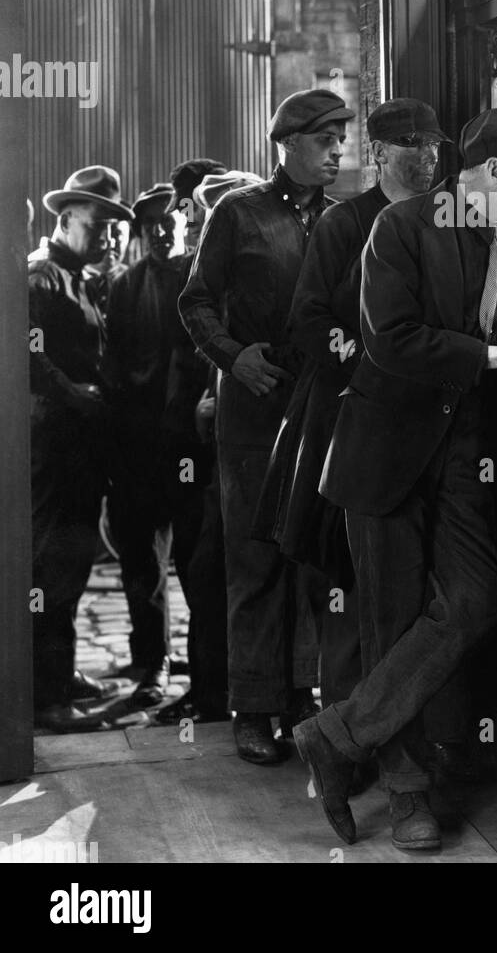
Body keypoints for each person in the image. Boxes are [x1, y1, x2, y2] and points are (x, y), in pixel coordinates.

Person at [293, 107, 497, 852]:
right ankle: (406, 798)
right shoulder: (400, 228)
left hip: (462, 456)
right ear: (493, 171)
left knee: (475, 600)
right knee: (393, 622)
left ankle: (338, 737)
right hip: (387, 456)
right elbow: (391, 340)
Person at [255, 99, 450, 722]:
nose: (430, 157)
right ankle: (341, 729)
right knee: (342, 582)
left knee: (410, 589)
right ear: (383, 154)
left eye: (435, 146)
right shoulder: (345, 225)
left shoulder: (446, 223)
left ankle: (387, 729)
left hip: (425, 430)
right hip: (343, 421)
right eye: (415, 146)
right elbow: (308, 319)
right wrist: (365, 365)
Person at [179, 90, 353, 764]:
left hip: (319, 414)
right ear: (288, 144)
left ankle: (306, 699)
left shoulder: (343, 221)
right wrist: (232, 357)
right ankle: (253, 710)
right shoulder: (237, 212)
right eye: (325, 139)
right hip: (252, 413)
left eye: (342, 137)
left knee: (310, 557)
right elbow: (193, 300)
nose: (338, 149)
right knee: (254, 562)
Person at [154, 170, 263, 727]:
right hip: (204, 446)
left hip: (242, 442)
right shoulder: (196, 274)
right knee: (204, 570)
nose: (193, 222)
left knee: (222, 572)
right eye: (195, 215)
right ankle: (213, 693)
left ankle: (233, 697)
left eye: (201, 213)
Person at [29, 166, 135, 732]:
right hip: (52, 445)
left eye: (115, 230)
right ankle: (45, 699)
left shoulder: (83, 281)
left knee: (71, 565)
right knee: (48, 570)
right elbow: (26, 347)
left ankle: (60, 675)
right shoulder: (40, 277)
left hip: (79, 449)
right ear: (67, 219)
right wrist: (71, 393)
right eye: (99, 227)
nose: (108, 239)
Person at [101, 182, 209, 708]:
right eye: (153, 227)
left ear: (186, 225)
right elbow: (115, 368)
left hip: (189, 447)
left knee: (195, 563)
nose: (164, 232)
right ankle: (152, 663)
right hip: (140, 450)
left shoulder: (201, 279)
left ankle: (208, 671)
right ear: (141, 234)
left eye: (172, 222)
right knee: (142, 563)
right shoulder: (124, 288)